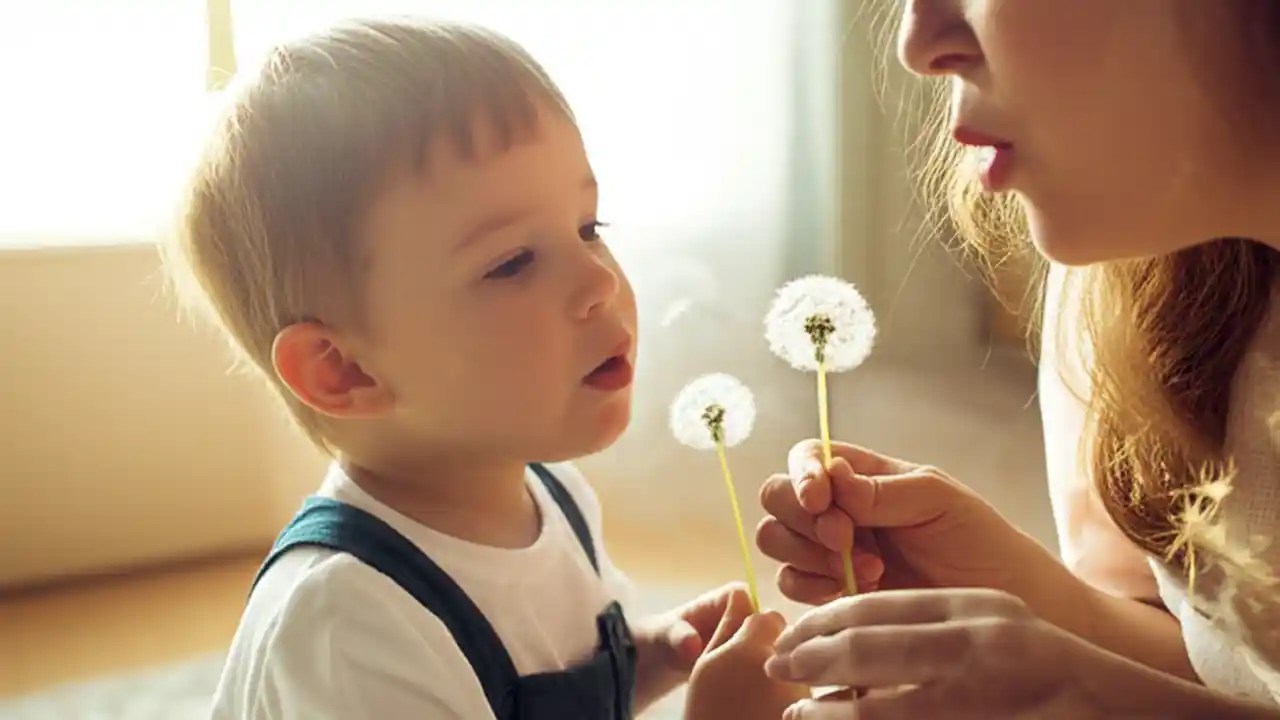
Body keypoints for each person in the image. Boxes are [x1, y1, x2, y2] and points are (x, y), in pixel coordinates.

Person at [164, 17, 804, 719]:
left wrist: (658, 654)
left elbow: (547, 682)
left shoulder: (555, 496)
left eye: (589, 228)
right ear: (343, 369)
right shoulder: (347, 623)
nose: (598, 280)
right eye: (512, 262)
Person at [755, 0, 1280, 717]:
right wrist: (1047, 608)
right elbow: (1234, 671)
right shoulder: (1134, 292)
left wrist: (1098, 697)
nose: (920, 44)